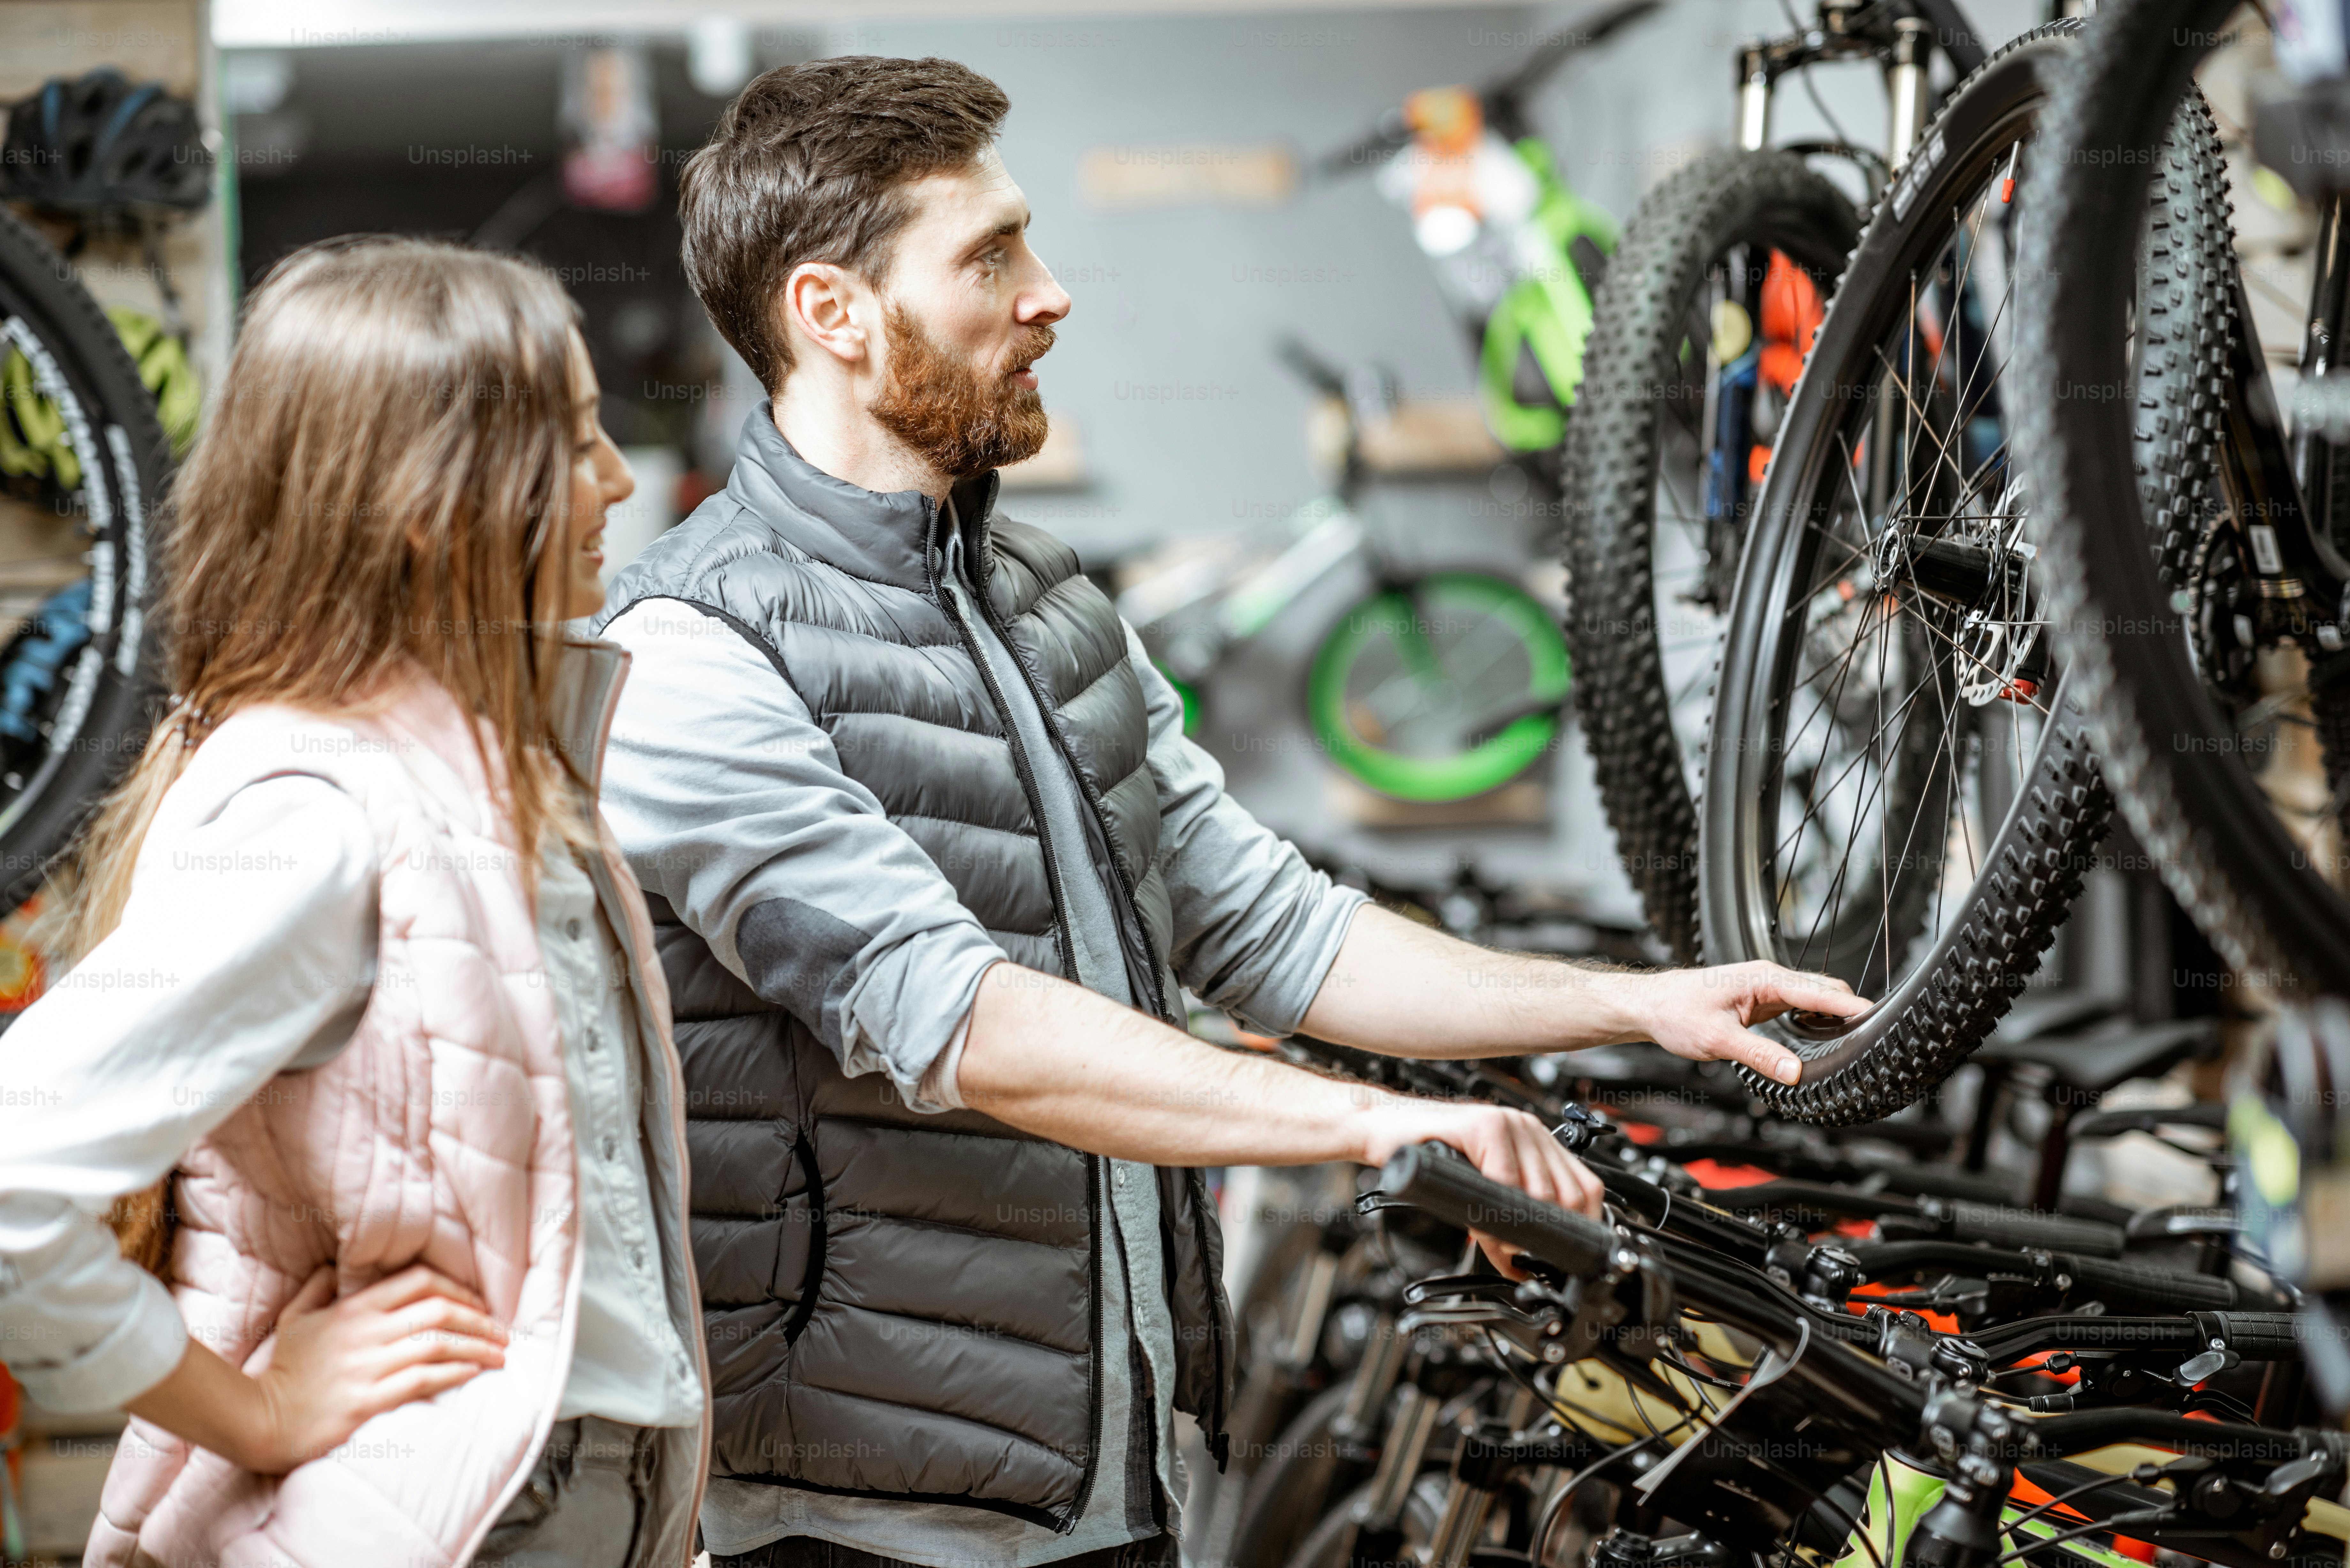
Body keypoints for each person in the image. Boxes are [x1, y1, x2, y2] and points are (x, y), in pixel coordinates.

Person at [596, 55, 1869, 1568]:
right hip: (854, 1516)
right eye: (991, 254)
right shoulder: (685, 649)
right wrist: (1370, 1121)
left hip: (1115, 1476)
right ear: (834, 313)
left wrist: (1631, 1005)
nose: (1050, 293)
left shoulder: (1044, 603)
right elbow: (955, 1017)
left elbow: (1270, 926)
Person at [0, 237, 709, 1568]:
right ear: (430, 505)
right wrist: (259, 1407)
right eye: (571, 439)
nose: (617, 478)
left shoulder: (495, 781)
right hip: (470, 1519)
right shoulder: (323, 808)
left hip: (566, 1503)